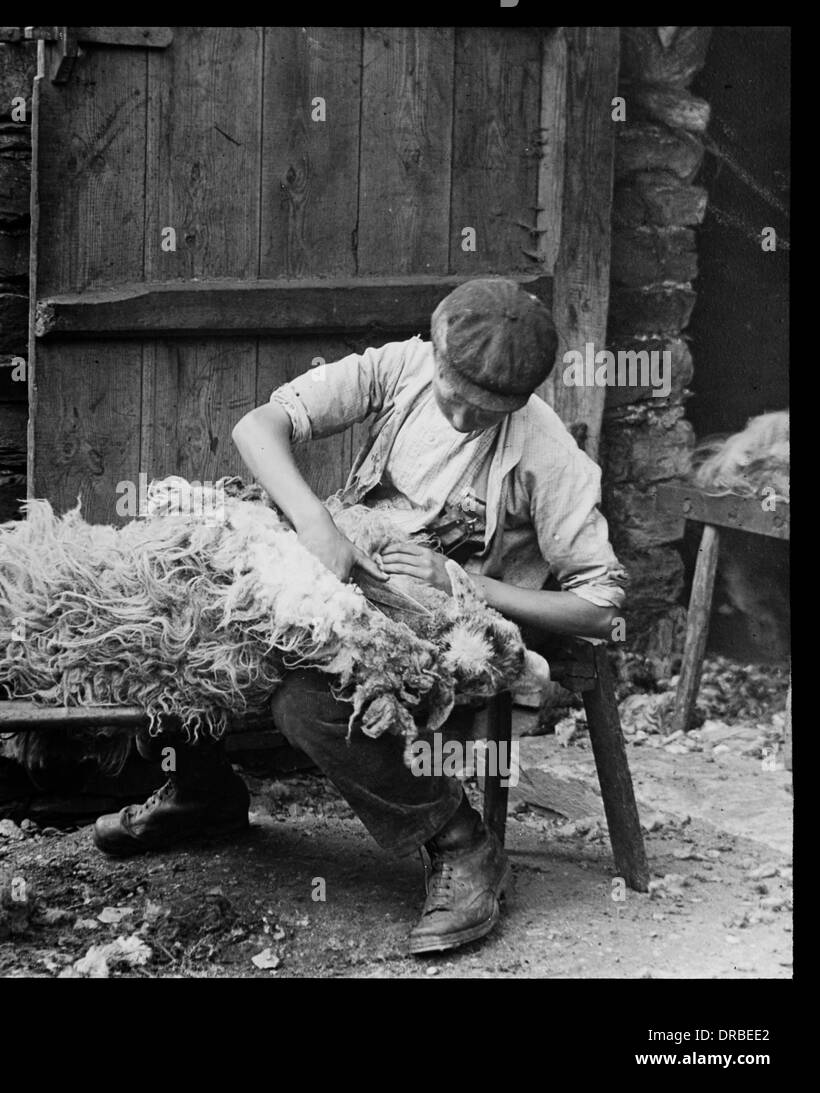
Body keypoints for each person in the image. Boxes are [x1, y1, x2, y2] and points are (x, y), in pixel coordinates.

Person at [92, 277, 628, 954]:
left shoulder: (548, 454)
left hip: (436, 629)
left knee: (308, 702)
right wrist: (317, 522)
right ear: (436, 358)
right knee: (183, 600)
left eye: (486, 413)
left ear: (520, 402)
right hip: (348, 574)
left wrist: (462, 579)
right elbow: (258, 425)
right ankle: (201, 791)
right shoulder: (401, 367)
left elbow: (601, 606)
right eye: (454, 399)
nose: (464, 421)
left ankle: (461, 842)